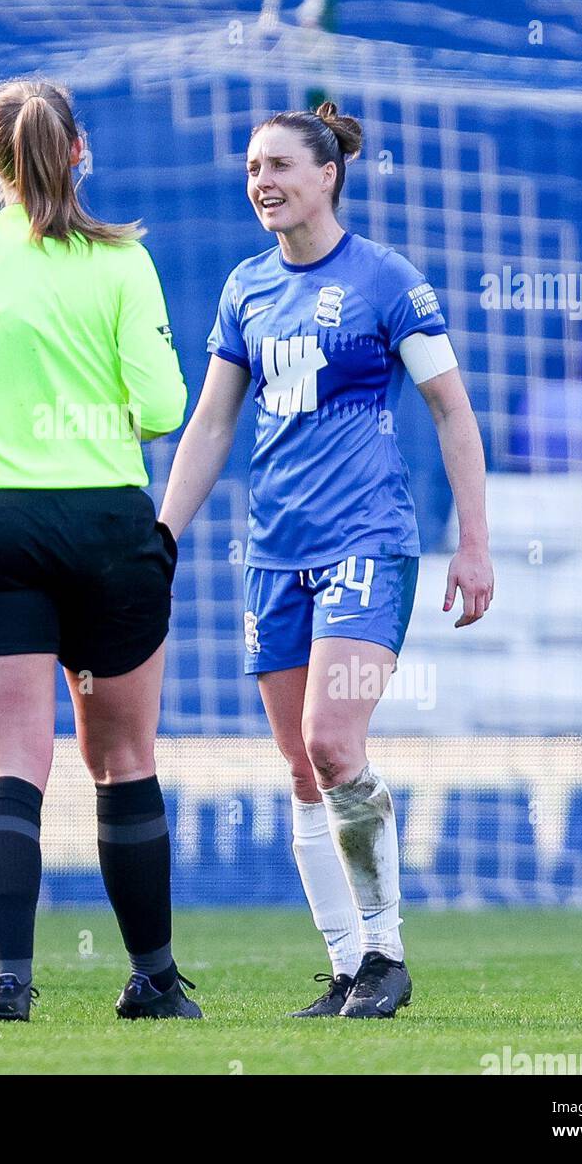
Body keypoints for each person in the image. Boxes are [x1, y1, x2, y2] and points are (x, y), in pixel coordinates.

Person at [159, 103, 494, 1019]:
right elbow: (215, 421)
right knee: (301, 769)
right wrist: (164, 533)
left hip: (368, 541)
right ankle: (349, 966)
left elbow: (452, 410)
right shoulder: (246, 288)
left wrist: (473, 542)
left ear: (327, 174)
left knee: (333, 742)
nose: (260, 181)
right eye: (252, 168)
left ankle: (388, 954)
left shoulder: (387, 279)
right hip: (274, 557)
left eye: (277, 165)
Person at [0, 78, 198, 1023]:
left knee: (15, 760)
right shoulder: (124, 263)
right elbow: (163, 411)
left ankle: (9, 982)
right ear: (78, 152)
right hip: (107, 524)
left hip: (1, 528)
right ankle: (152, 980)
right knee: (124, 758)